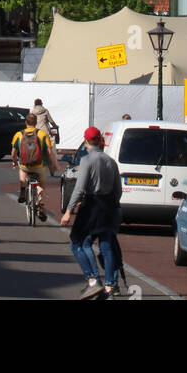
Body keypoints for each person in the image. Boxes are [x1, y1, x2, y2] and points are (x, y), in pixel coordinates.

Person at [60, 126, 123, 299]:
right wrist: (112, 204)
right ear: (100, 140)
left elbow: (79, 189)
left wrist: (68, 211)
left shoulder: (87, 160)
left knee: (77, 242)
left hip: (92, 205)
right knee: (106, 244)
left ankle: (93, 280)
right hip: (109, 206)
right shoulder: (111, 162)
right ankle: (110, 286)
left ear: (86, 141)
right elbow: (118, 191)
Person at [11, 112, 58, 219]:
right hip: (39, 166)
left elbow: (13, 153)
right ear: (36, 123)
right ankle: (40, 203)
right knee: (41, 184)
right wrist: (55, 164)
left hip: (25, 165)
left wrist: (14, 161)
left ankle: (23, 190)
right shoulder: (42, 134)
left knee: (22, 170)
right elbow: (49, 152)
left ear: (25, 123)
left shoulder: (19, 134)